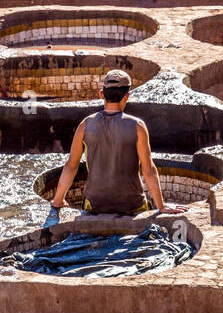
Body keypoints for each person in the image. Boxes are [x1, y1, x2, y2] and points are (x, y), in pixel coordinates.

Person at [47, 68, 167, 220]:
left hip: (96, 206)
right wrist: (161, 206)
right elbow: (148, 169)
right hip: (132, 205)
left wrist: (58, 201)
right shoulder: (138, 126)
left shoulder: (85, 125)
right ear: (127, 96)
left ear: (101, 94)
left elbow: (71, 166)